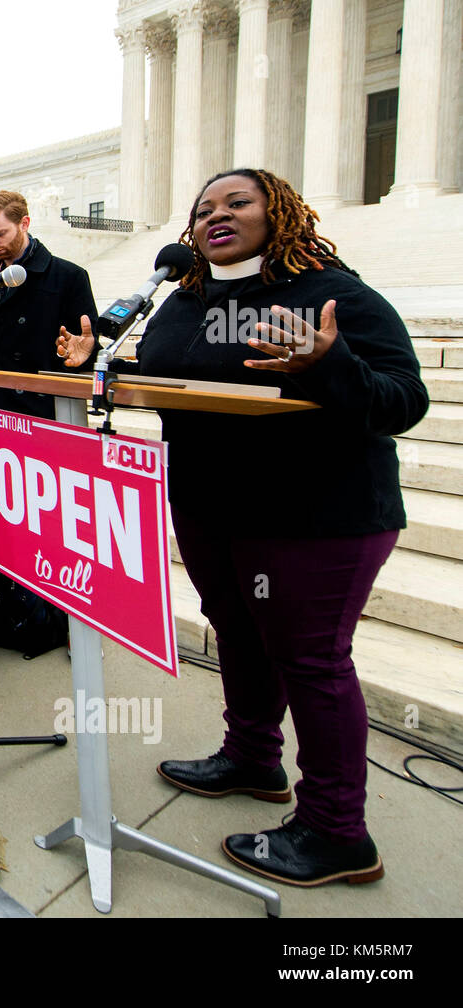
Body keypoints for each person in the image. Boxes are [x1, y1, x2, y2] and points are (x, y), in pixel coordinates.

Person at [57, 168, 429, 887]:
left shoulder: (332, 292)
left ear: (278, 213)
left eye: (236, 202)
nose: (214, 216)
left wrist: (330, 364)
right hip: (211, 507)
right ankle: (253, 759)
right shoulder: (187, 296)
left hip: (317, 514)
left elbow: (403, 398)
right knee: (236, 631)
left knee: (312, 660)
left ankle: (336, 832)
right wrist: (103, 364)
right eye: (202, 209)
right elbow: (184, 375)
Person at [0, 190, 98, 440]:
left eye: (0, 234)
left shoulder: (69, 277)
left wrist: (86, 354)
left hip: (41, 415)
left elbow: (84, 346)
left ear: (24, 224)